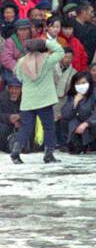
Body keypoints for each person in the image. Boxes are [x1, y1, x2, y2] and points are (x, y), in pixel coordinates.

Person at [9, 34, 66, 164]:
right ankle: (48, 154)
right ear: (43, 48)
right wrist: (46, 41)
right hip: (44, 100)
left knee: (26, 127)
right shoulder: (47, 60)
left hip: (28, 100)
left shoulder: (21, 61)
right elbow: (60, 51)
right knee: (49, 127)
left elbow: (19, 77)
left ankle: (16, 151)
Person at [60, 69, 96, 154]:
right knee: (65, 122)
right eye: (78, 83)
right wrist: (75, 102)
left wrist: (86, 124)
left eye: (83, 83)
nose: (81, 85)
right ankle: (76, 145)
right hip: (80, 122)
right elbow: (65, 114)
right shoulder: (73, 94)